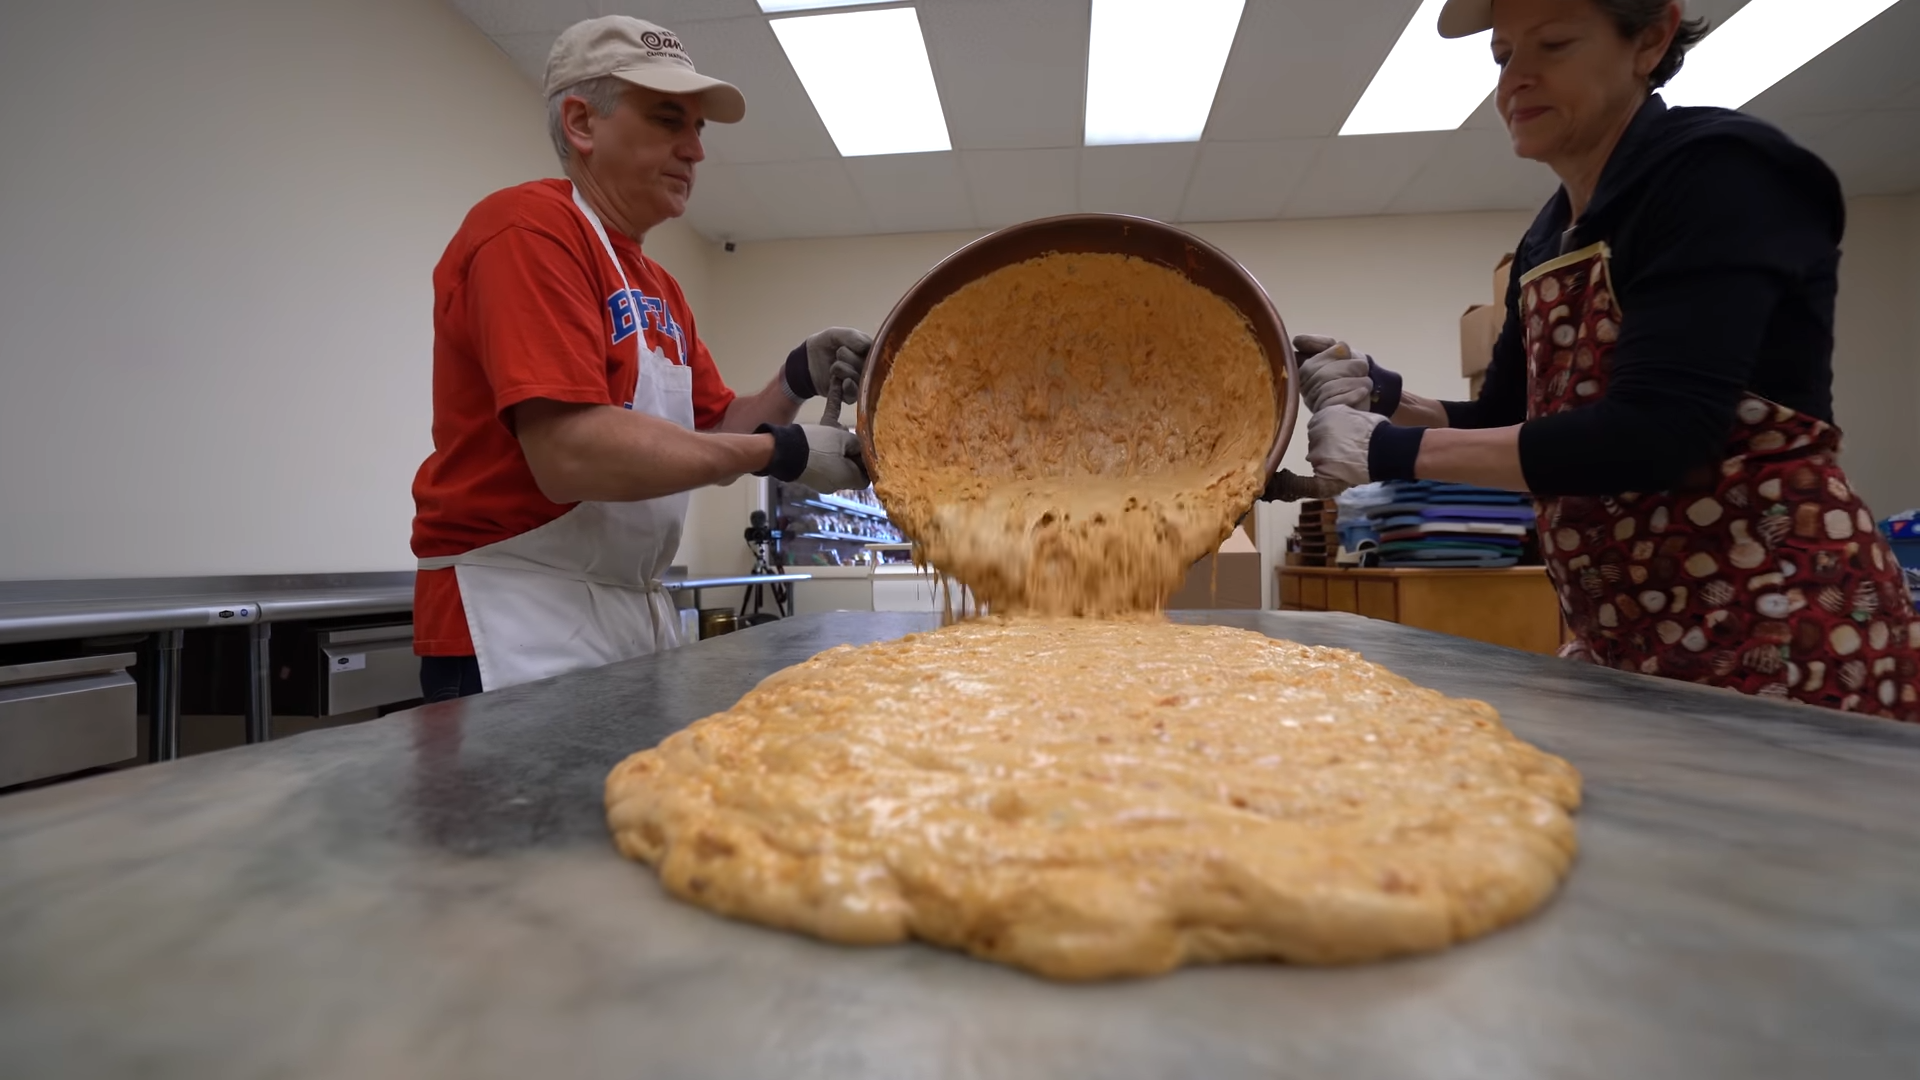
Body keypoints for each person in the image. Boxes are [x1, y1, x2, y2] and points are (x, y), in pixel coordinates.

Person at [1291, 0, 1919, 721]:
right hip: (1629, 631)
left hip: (1778, 621)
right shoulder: (1550, 235)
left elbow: (1659, 433)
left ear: (1649, 39)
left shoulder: (1720, 172)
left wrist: (1391, 451)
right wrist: (1385, 395)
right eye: (1502, 57)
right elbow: (1512, 419)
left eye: (1552, 45)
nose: (1513, 83)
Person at [410, 17, 869, 699]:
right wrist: (782, 453)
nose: (695, 151)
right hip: (515, 614)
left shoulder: (659, 288)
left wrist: (793, 377)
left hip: (626, 609)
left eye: (698, 130)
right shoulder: (527, 231)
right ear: (581, 123)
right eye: (667, 121)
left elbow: (712, 434)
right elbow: (571, 453)